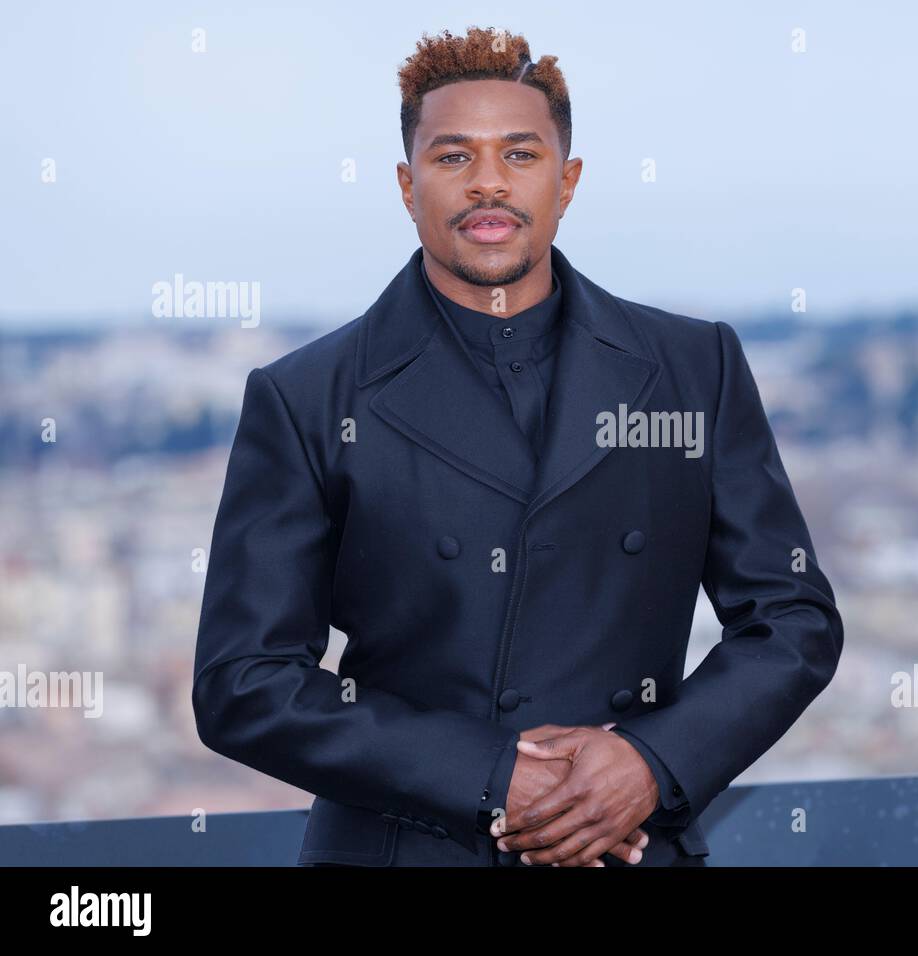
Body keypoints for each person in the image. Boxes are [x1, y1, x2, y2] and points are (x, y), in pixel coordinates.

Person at [192, 25, 843, 868]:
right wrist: (493, 776)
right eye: (454, 157)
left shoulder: (694, 367)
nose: (489, 184)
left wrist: (651, 762)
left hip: (625, 845)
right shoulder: (306, 396)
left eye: (521, 156)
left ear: (567, 183)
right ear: (405, 183)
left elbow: (792, 617)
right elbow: (242, 683)